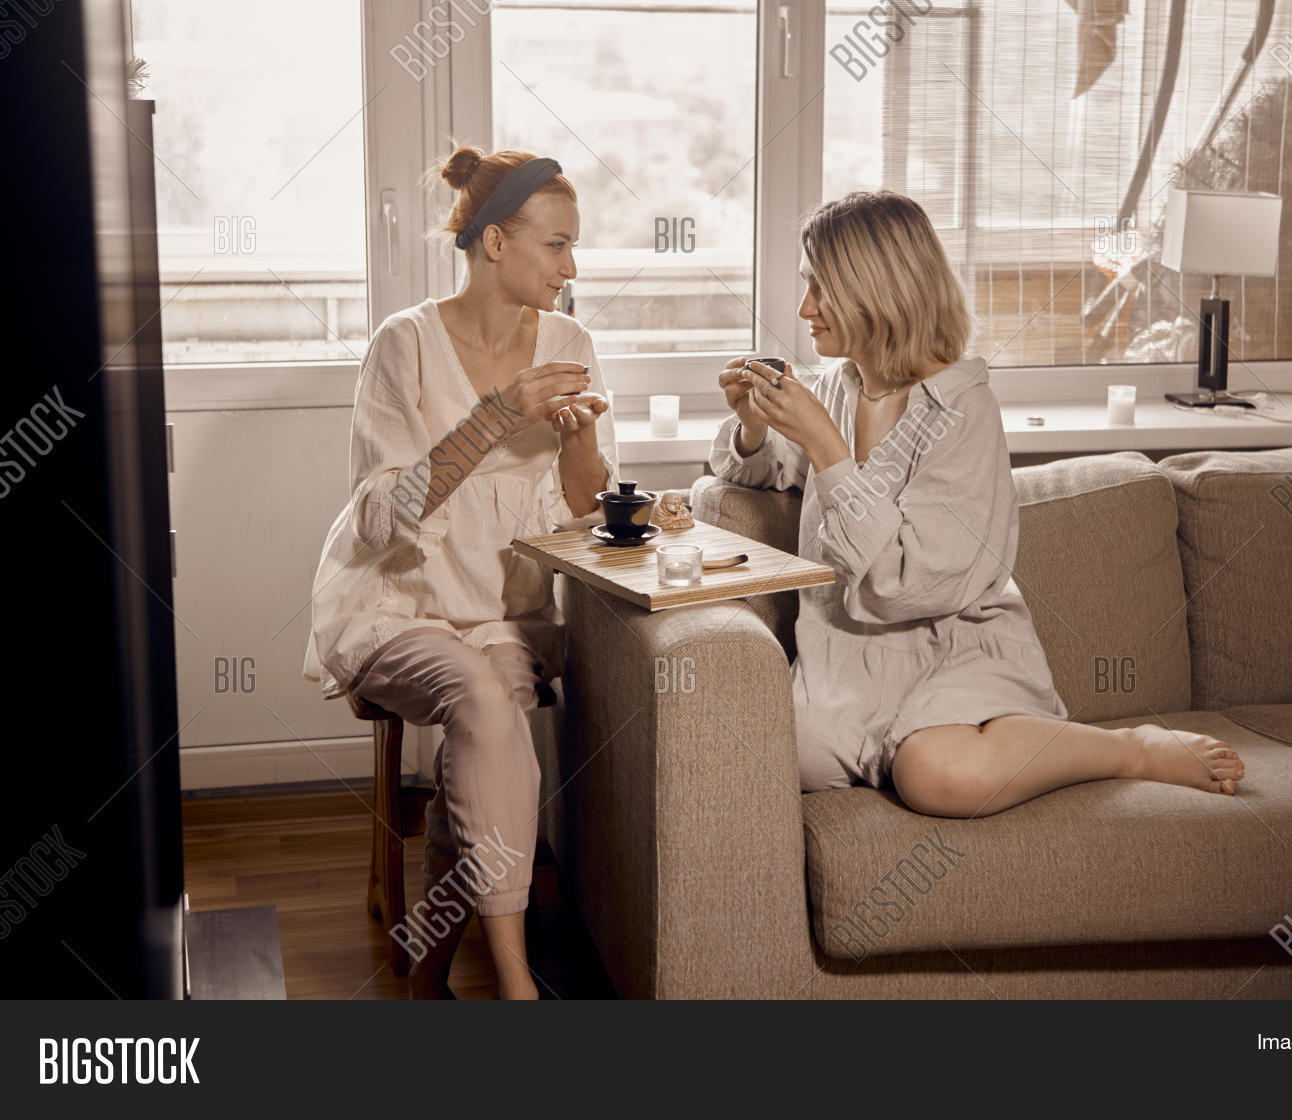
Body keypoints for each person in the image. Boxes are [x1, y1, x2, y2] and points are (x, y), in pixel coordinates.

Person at [709, 191, 1244, 815]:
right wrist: (752, 425)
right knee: (761, 750)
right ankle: (905, 743)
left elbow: (905, 585)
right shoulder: (835, 387)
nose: (804, 308)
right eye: (807, 284)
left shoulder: (962, 409)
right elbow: (766, 469)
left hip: (953, 646)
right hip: (846, 655)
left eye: (821, 288)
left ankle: (1129, 748)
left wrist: (827, 445)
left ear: (876, 290)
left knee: (937, 775)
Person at [304, 147, 616, 998]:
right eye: (555, 245)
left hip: (503, 613)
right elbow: (380, 510)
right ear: (493, 242)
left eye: (573, 246)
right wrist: (496, 415)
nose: (571, 266)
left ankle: (429, 977)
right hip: (396, 607)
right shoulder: (402, 344)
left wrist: (578, 434)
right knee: (485, 705)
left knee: (487, 736)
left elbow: (586, 503)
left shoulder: (572, 340)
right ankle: (517, 984)